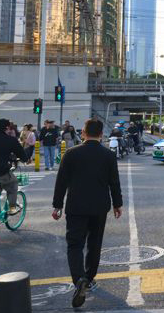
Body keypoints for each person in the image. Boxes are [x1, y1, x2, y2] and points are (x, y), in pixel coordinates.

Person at [52, 119, 123, 308]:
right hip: (100, 206)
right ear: (101, 134)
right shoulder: (108, 155)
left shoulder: (71, 153)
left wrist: (57, 205)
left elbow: (61, 181)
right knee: (94, 243)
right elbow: (114, 182)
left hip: (76, 206)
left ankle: (79, 279)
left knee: (75, 245)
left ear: (83, 133)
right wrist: (117, 204)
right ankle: (89, 278)